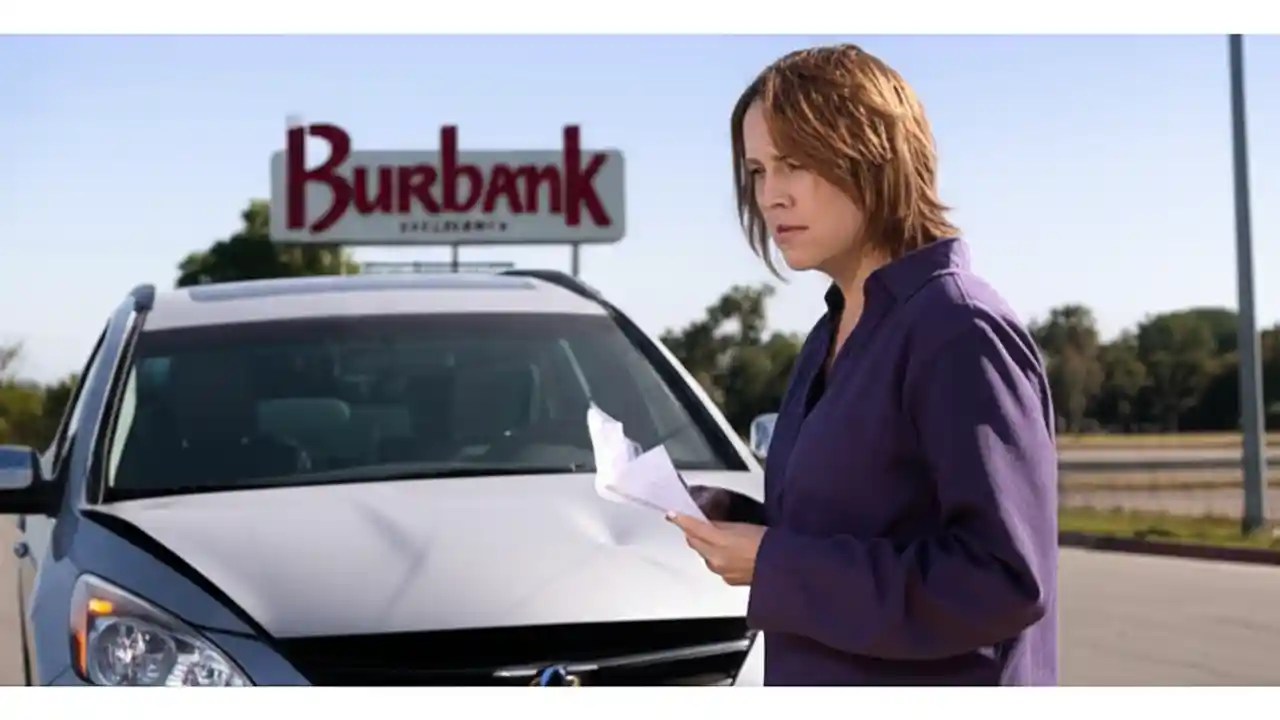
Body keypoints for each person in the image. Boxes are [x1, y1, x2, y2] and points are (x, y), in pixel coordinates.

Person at [669, 43, 1059, 686]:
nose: (771, 196)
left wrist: (779, 565)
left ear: (875, 156)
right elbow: (862, 530)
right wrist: (753, 531)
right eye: (758, 170)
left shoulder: (959, 330)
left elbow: (1003, 581)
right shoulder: (831, 331)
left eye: (795, 164)